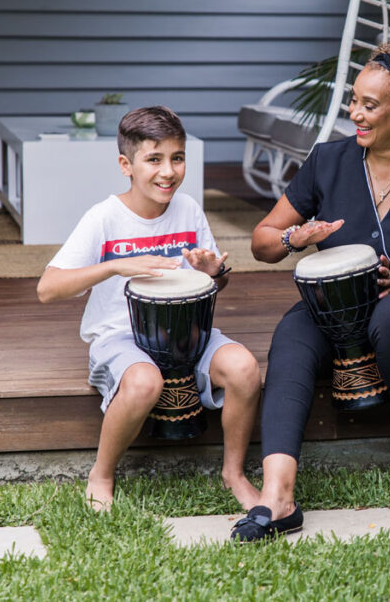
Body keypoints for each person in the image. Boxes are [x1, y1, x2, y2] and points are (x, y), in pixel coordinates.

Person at [230, 44, 390, 542]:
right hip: (335, 315)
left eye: (370, 104)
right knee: (293, 334)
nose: (355, 113)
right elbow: (261, 242)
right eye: (354, 100)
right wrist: (292, 239)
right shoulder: (329, 161)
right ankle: (278, 497)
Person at [36, 106, 261, 513]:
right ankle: (102, 473)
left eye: (177, 158)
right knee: (144, 383)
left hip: (188, 334)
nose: (168, 171)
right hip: (123, 337)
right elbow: (47, 289)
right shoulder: (104, 218)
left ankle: (234, 473)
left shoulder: (188, 209)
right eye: (154, 159)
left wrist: (214, 273)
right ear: (126, 165)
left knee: (245, 369)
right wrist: (115, 265)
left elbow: (211, 281)